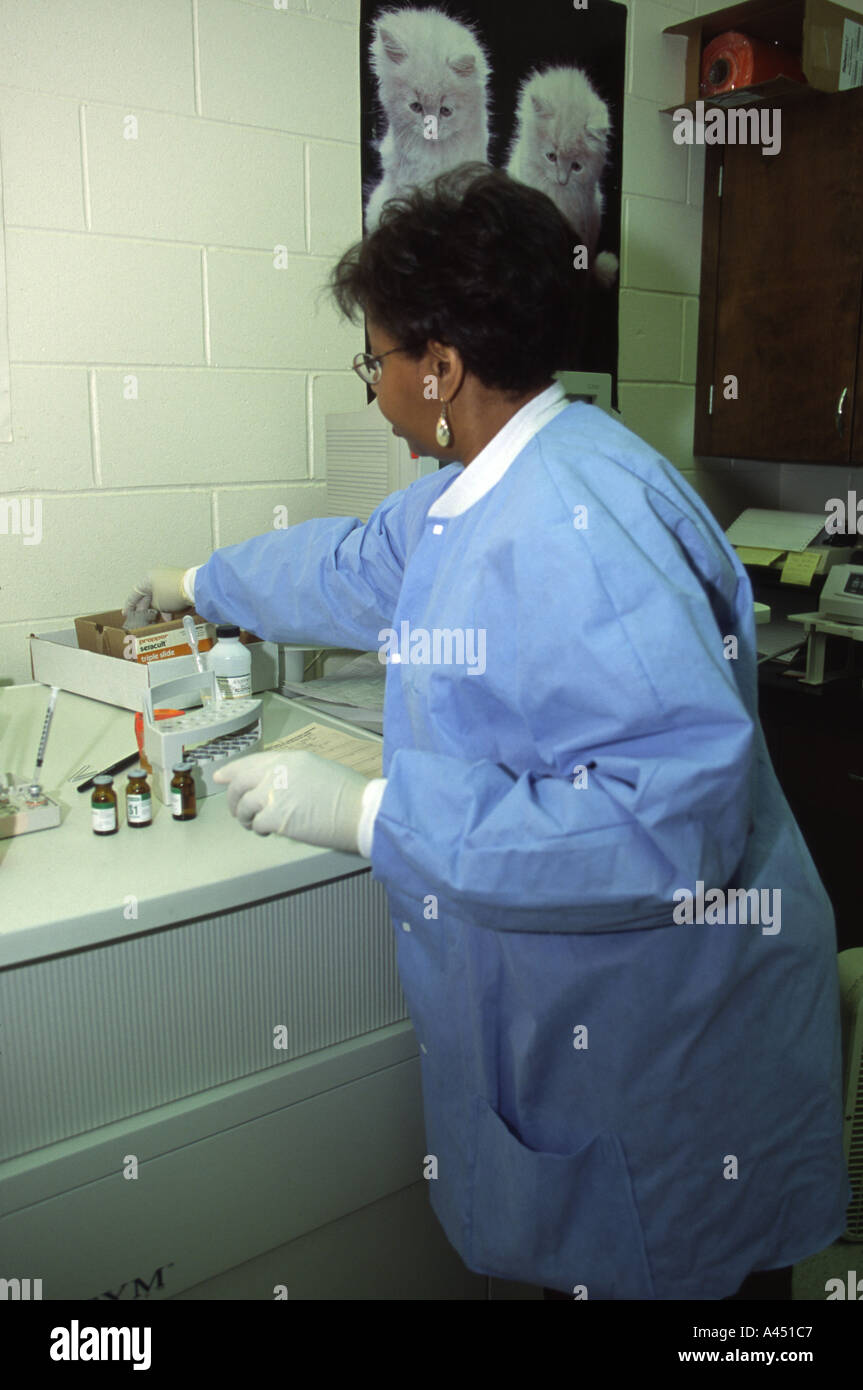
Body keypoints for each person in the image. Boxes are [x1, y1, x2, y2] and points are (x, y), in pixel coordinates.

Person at [124, 165, 851, 1300]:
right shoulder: (506, 474)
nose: (373, 392)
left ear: (441, 368)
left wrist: (373, 811)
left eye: (375, 362)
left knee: (683, 1283)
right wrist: (198, 580)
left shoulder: (576, 530)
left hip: (662, 1034)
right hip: (604, 1003)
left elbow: (658, 830)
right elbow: (353, 563)